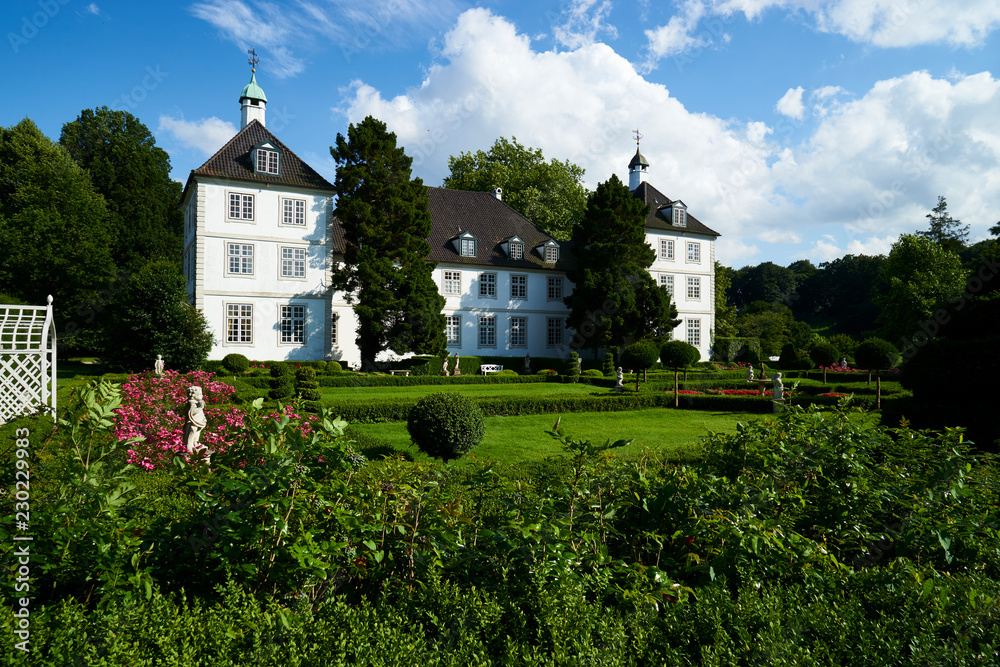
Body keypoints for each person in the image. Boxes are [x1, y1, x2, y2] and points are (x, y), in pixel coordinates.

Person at [184, 386, 208, 460]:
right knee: (193, 431)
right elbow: (192, 412)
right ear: (193, 396)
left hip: (197, 422)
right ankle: (189, 446)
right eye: (199, 395)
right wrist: (200, 407)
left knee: (197, 432)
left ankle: (195, 444)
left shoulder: (195, 402)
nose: (201, 396)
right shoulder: (192, 403)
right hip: (192, 422)